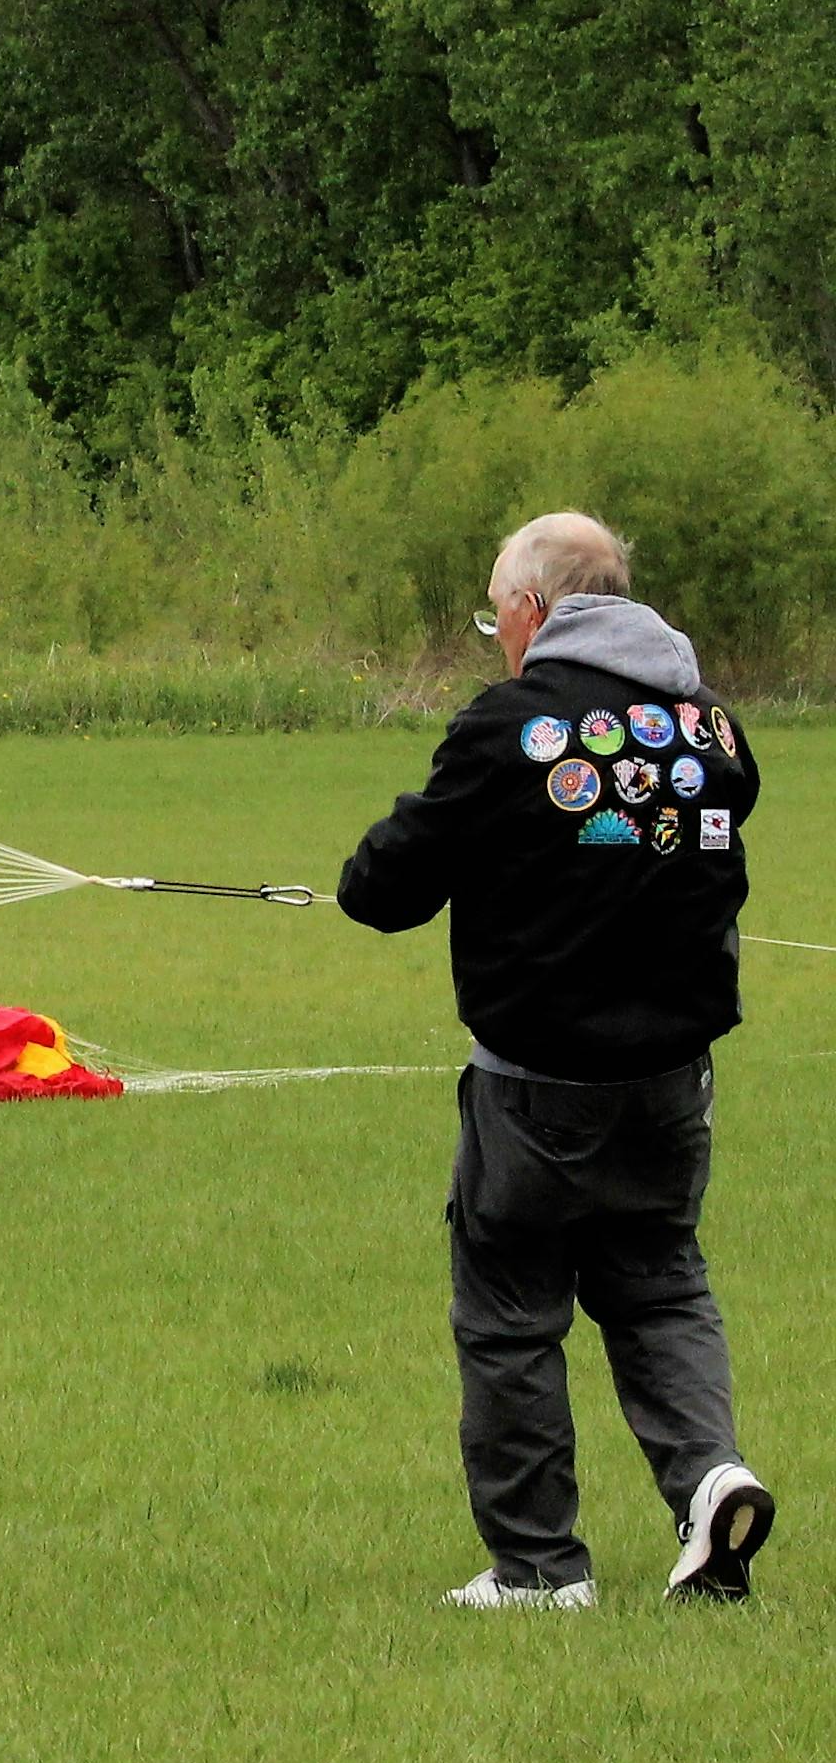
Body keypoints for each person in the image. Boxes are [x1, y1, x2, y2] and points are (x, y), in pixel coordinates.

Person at [338, 511, 775, 1607]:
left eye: (498, 616)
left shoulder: (511, 725)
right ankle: (709, 1479)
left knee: (510, 1312)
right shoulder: (710, 730)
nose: (498, 636)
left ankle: (539, 1569)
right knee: (661, 1284)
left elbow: (384, 887)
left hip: (537, 1085)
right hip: (676, 1078)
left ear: (535, 611)